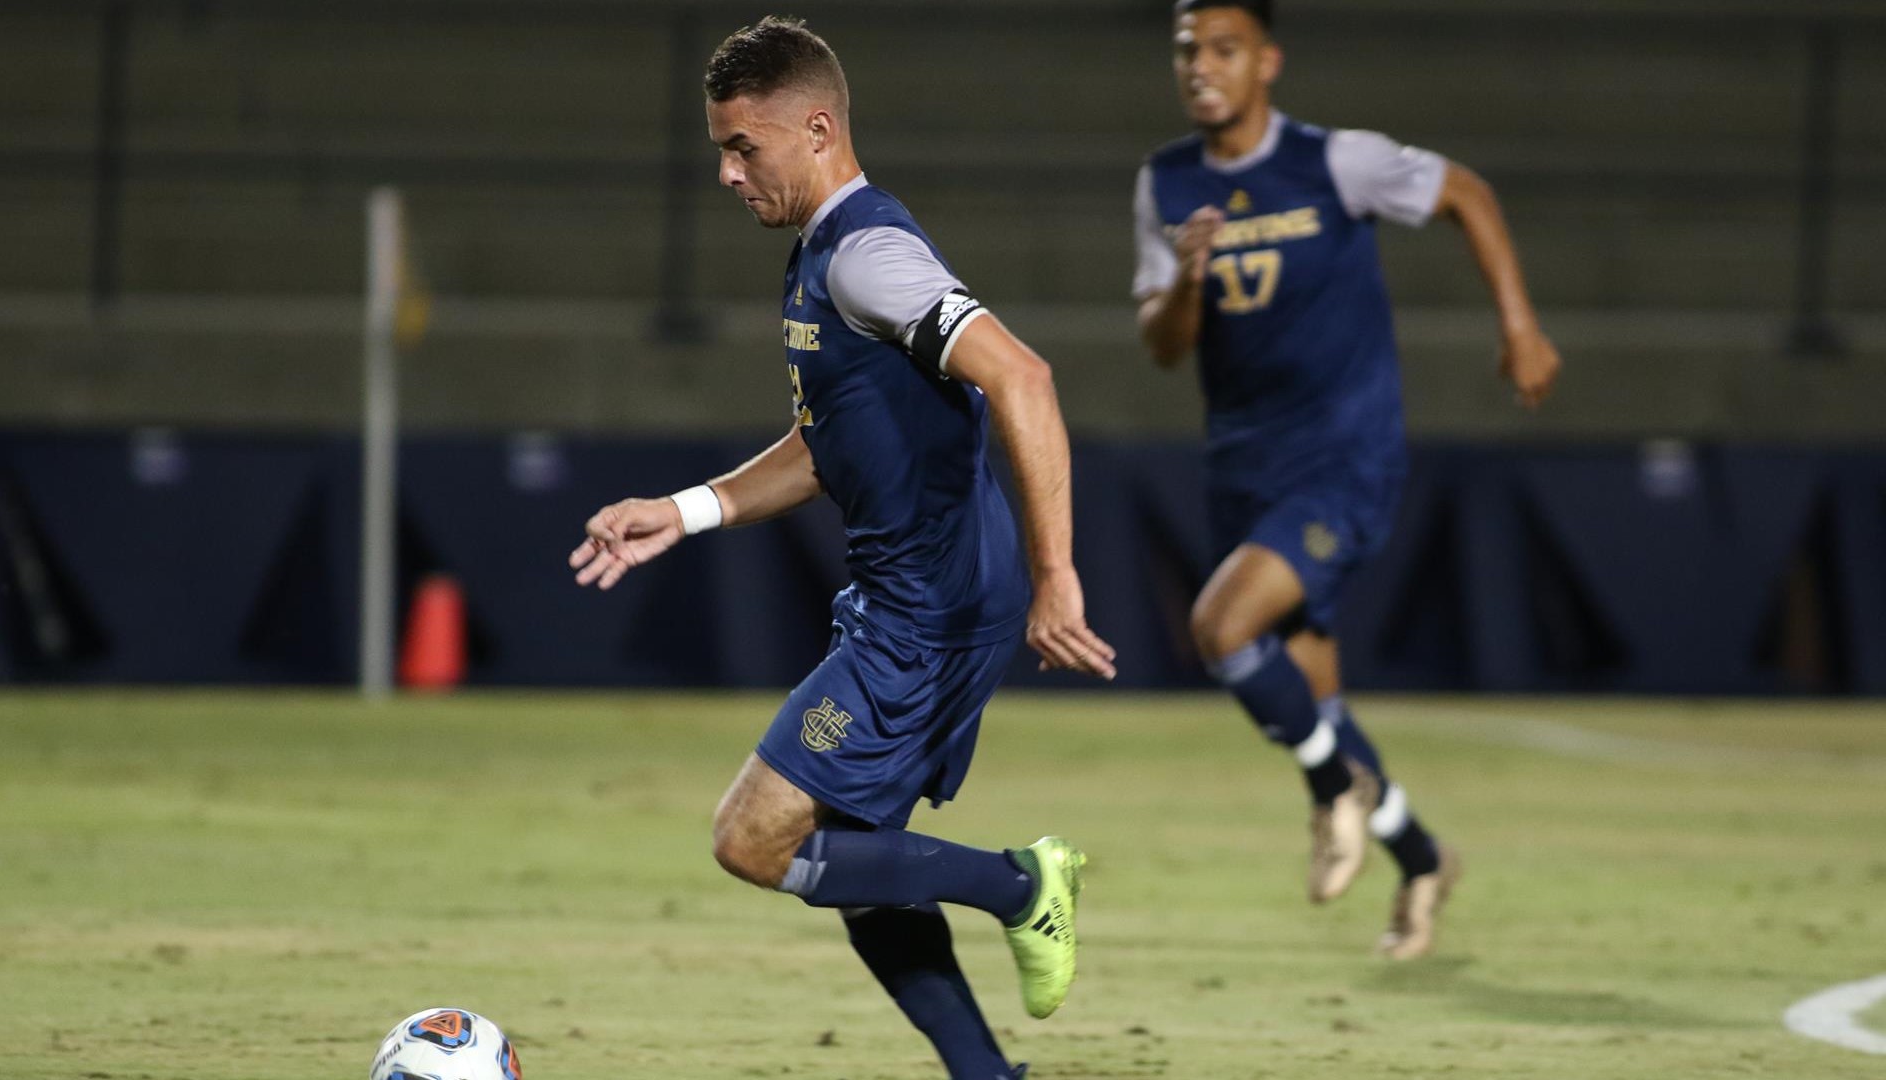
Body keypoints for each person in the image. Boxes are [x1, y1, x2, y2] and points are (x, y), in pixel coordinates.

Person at [570, 16, 1118, 1079]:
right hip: (911, 600)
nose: (727, 173)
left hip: (930, 613)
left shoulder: (868, 255)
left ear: (816, 130)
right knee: (864, 868)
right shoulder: (821, 253)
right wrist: (680, 513)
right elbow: (828, 449)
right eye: (721, 149)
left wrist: (1059, 575)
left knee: (752, 838)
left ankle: (1024, 886)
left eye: (744, 147)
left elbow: (1022, 375)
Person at [1133, 0, 1561, 959]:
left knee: (1220, 628)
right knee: (1310, 708)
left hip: (1343, 461)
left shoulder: (1336, 162)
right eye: (1187, 49)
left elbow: (1468, 195)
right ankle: (1420, 856)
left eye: (1224, 48)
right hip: (1243, 468)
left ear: (1268, 62)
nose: (1201, 65)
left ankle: (1338, 796)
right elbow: (1163, 347)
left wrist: (1521, 325)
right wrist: (1189, 280)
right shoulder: (1164, 182)